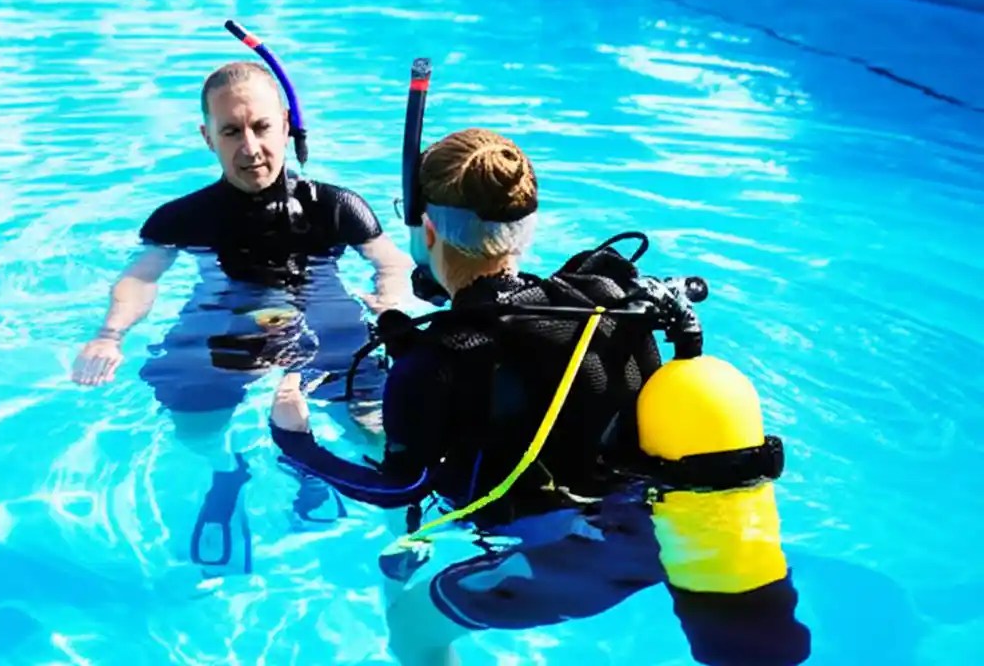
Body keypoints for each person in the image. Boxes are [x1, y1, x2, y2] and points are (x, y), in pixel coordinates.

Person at [269, 127, 810, 665]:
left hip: (570, 565)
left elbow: (400, 487)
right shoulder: (605, 303)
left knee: (410, 626)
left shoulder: (434, 364)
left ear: (426, 230)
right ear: (525, 231)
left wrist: (296, 444)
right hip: (671, 539)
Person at [71, 60, 413, 574]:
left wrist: (389, 302)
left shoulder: (337, 207)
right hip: (225, 314)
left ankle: (356, 499)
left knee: (377, 430)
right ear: (207, 136)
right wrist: (108, 335)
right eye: (231, 131)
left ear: (285, 124)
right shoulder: (182, 217)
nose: (250, 147)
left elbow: (391, 263)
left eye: (261, 128)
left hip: (325, 313)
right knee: (191, 423)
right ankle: (228, 472)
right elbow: (141, 277)